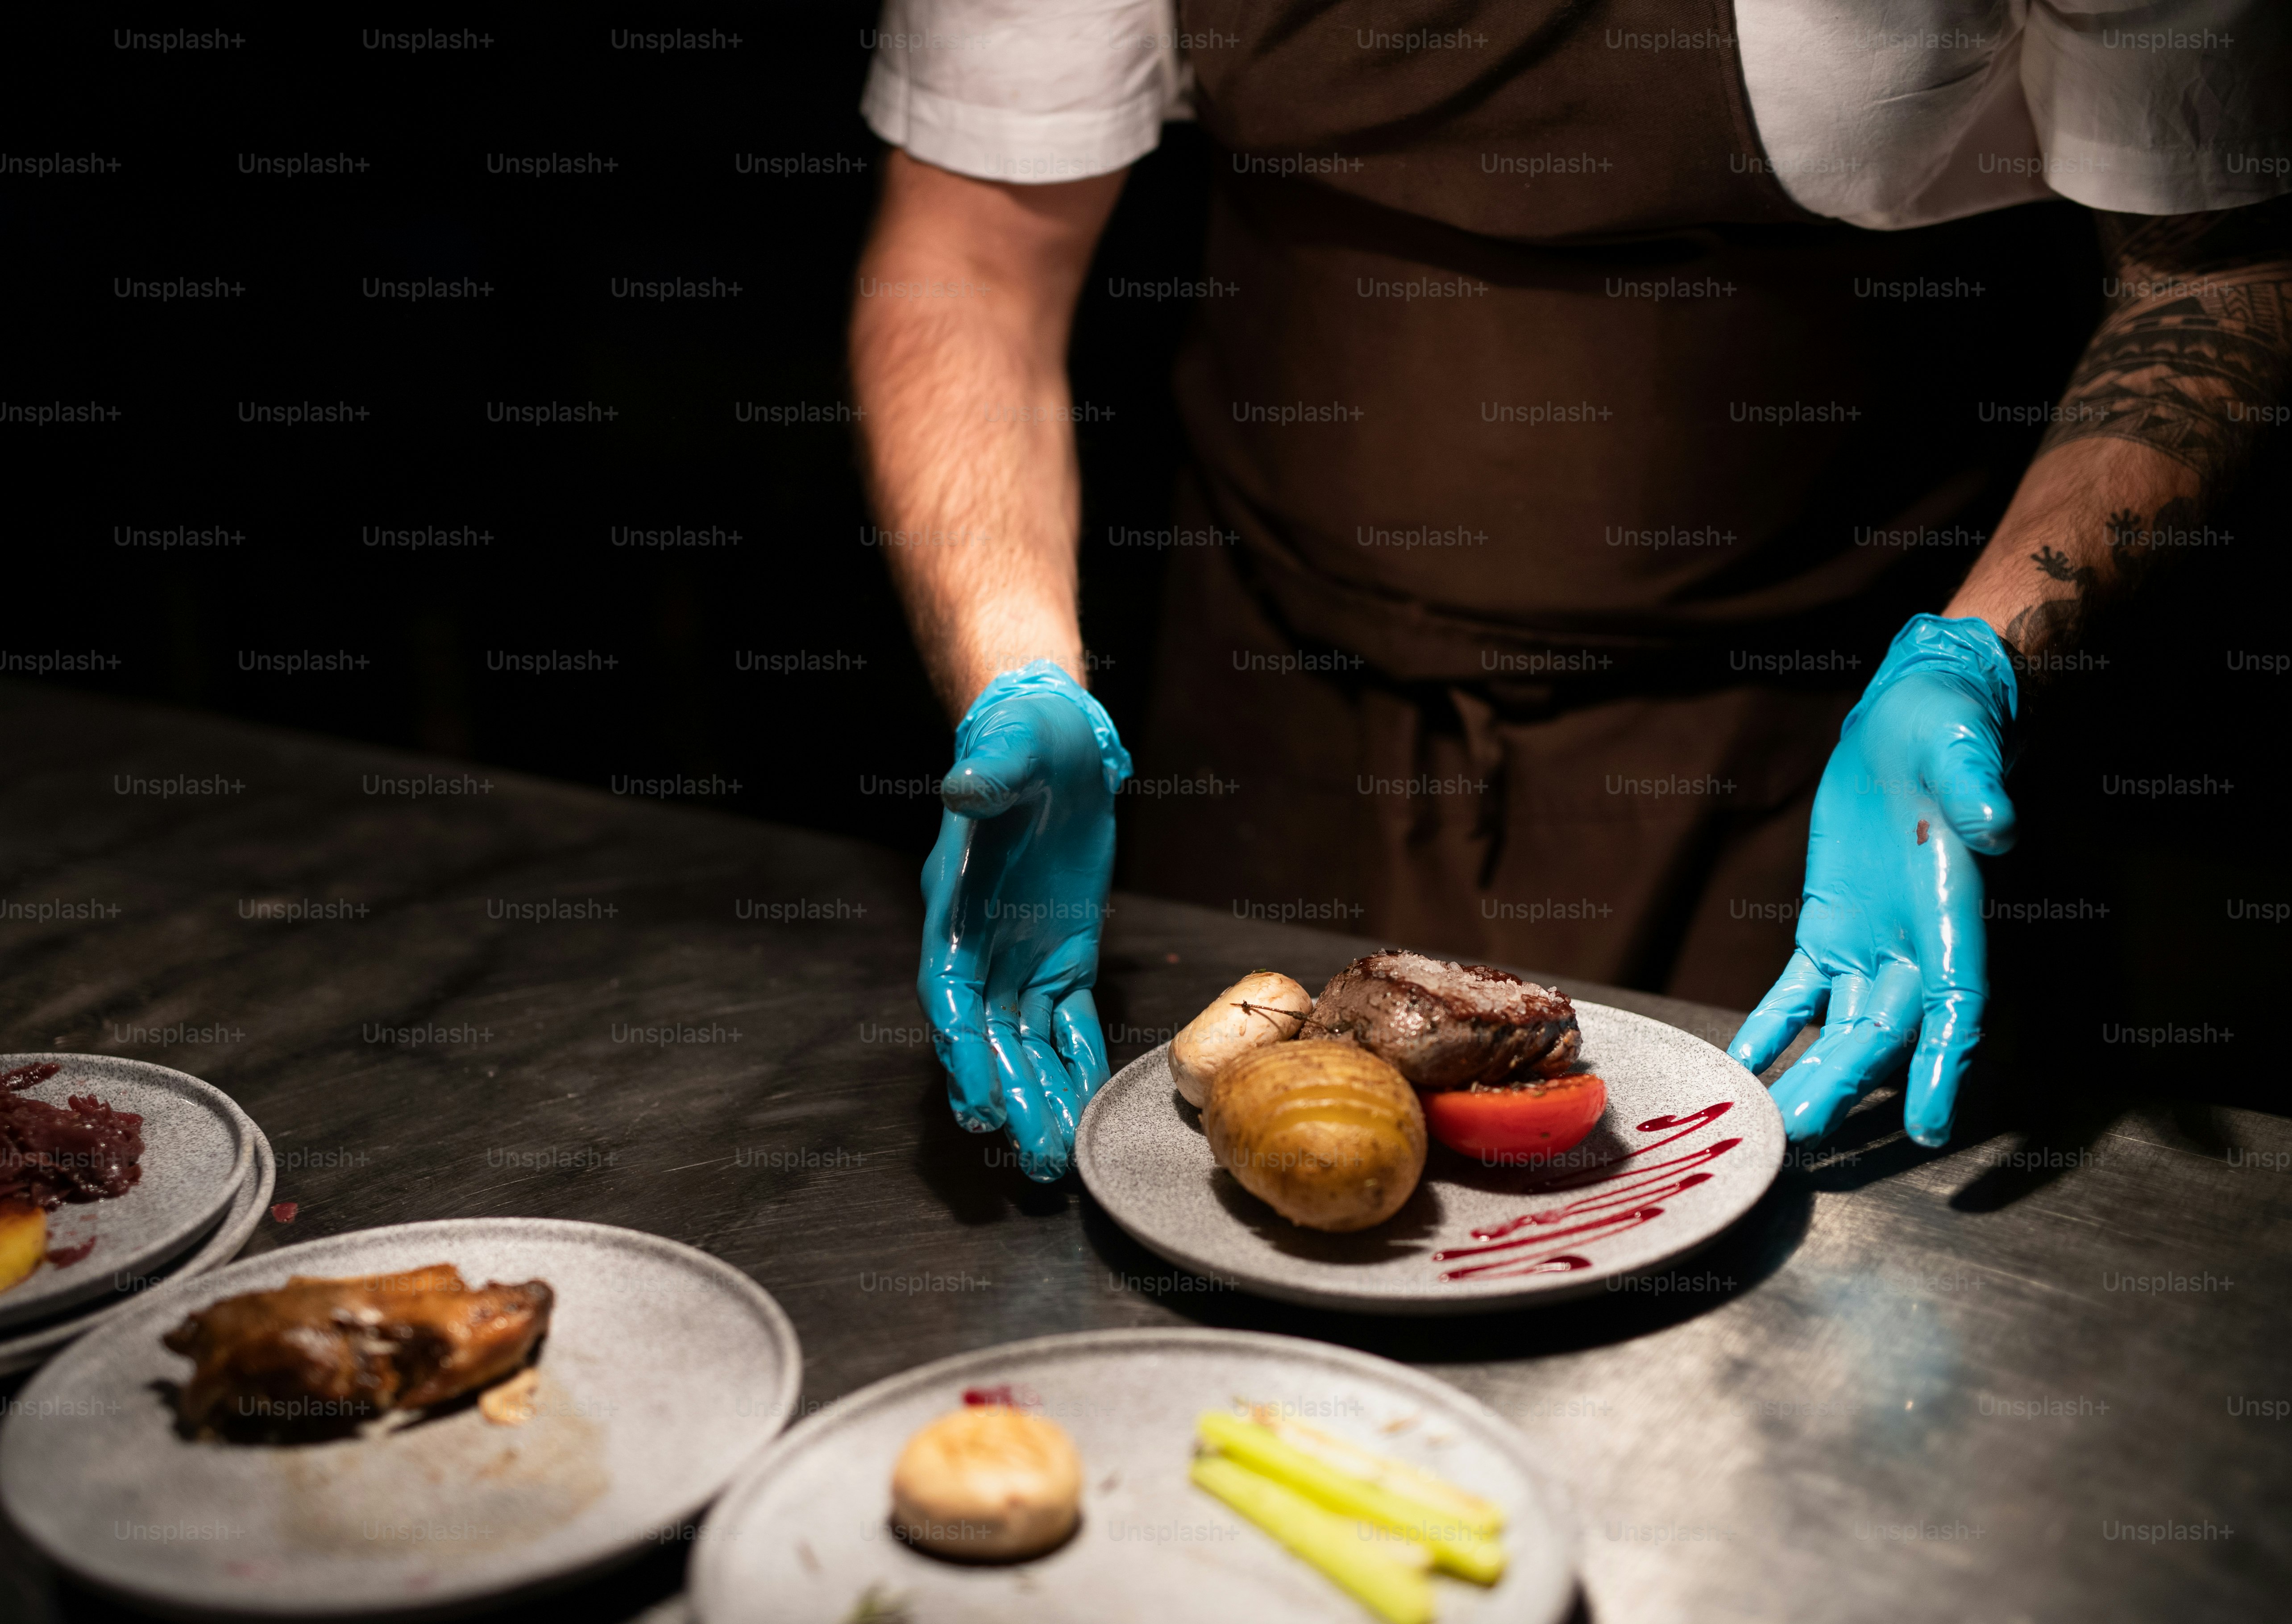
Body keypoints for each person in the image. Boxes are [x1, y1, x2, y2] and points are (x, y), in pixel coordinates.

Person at [854, 1, 2292, 1180]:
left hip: (1811, 761)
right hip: (1271, 698)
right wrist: (1016, 668)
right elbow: (973, 256)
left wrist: (1979, 656)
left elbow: (2214, 274)